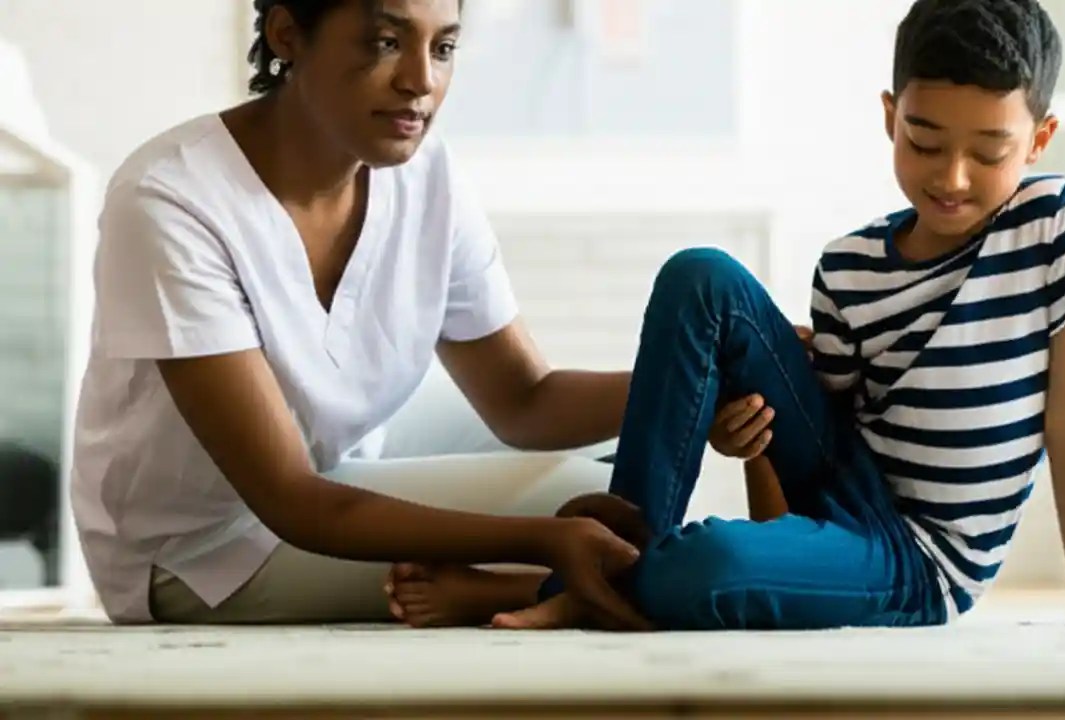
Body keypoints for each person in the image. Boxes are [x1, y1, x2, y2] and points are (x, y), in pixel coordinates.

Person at [449, 0, 1065, 631]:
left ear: (1040, 140)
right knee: (700, 276)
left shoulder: (1056, 221)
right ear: (891, 118)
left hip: (918, 561)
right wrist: (752, 450)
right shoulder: (849, 266)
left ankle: (571, 584)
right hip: (844, 497)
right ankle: (608, 563)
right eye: (924, 141)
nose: (952, 177)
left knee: (713, 569)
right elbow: (804, 458)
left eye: (989, 153)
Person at [71, 0, 653, 629]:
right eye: (384, 42)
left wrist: (705, 382)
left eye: (443, 49)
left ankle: (489, 589)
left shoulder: (427, 175)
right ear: (288, 34)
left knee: (642, 445)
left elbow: (525, 400)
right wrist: (539, 538)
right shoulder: (170, 199)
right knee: (586, 505)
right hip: (212, 548)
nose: (421, 81)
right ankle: (514, 585)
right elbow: (291, 499)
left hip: (340, 450)